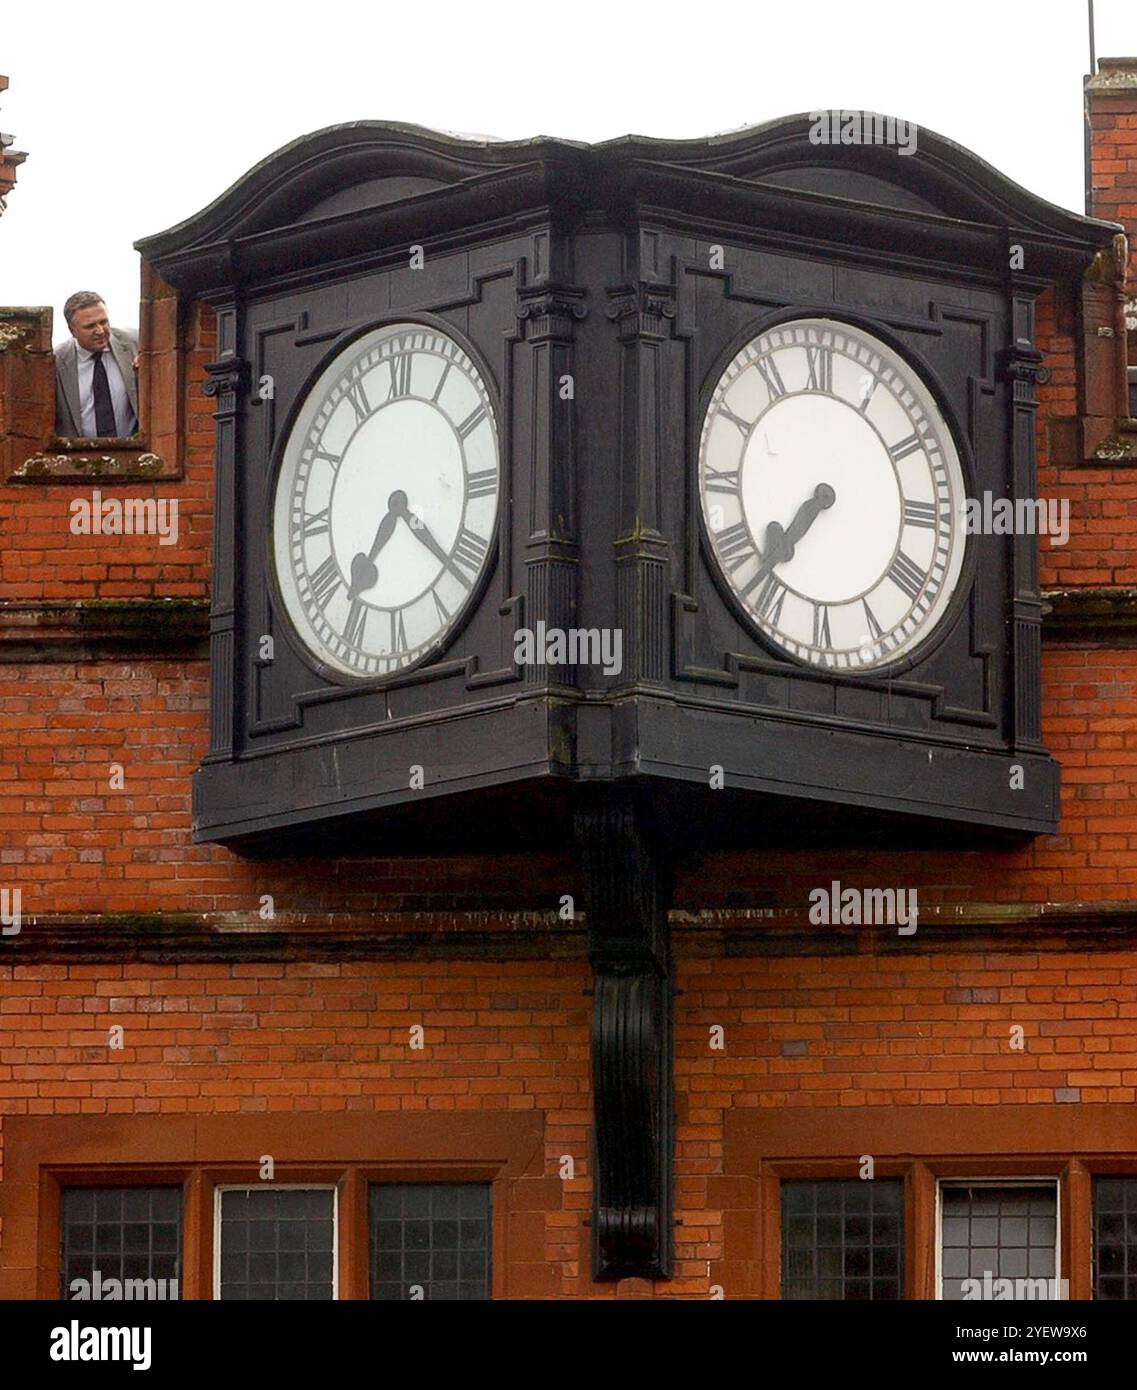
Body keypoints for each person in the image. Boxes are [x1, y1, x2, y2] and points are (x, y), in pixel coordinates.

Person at [54, 291, 139, 438]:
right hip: (80, 456)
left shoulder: (136, 343)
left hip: (133, 452)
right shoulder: (56, 362)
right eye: (90, 326)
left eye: (103, 322)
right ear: (72, 331)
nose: (100, 331)